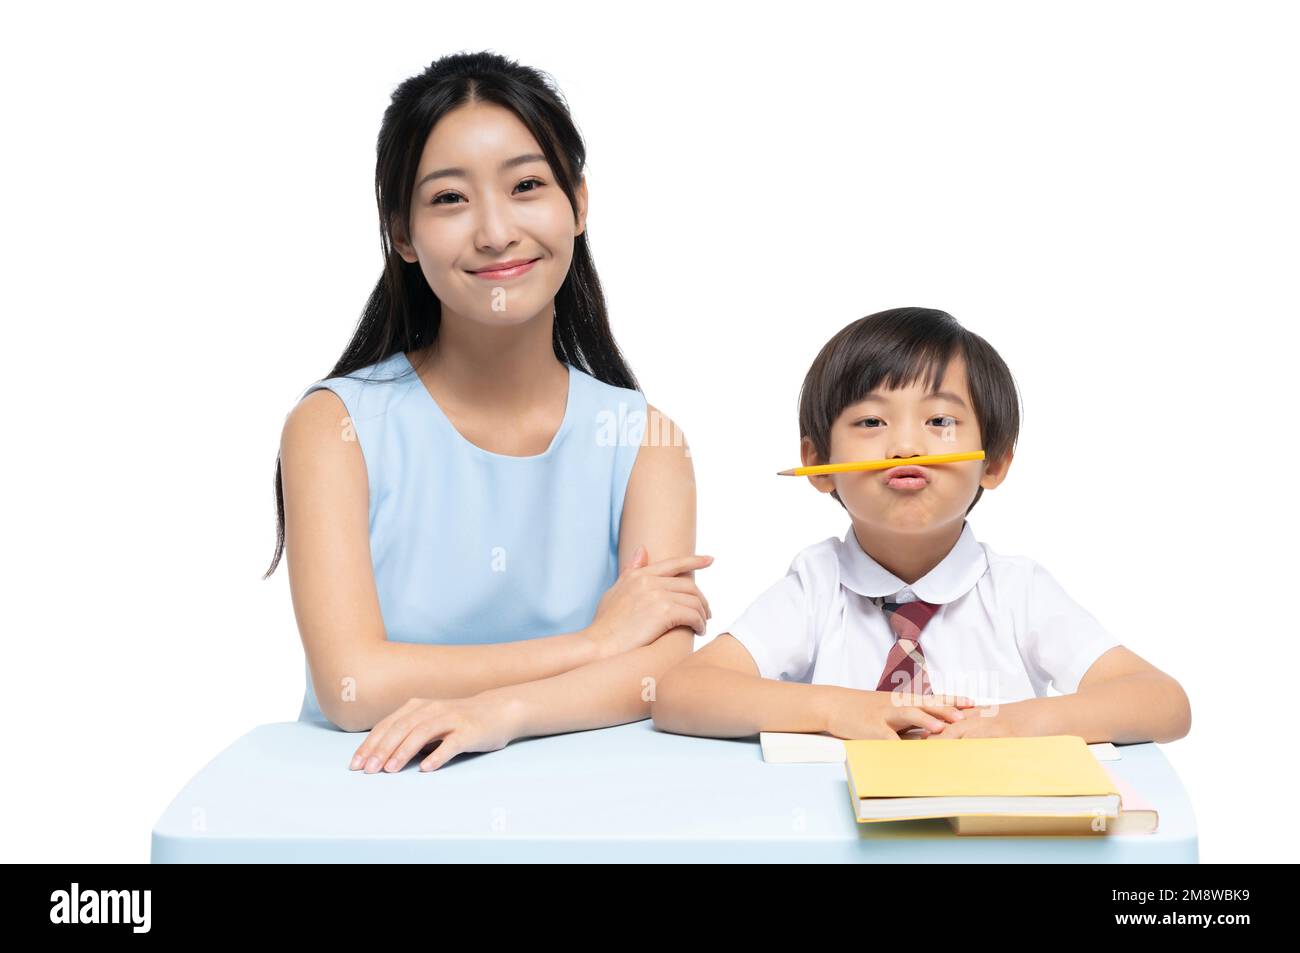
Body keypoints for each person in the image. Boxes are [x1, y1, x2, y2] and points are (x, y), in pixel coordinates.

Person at [271, 51, 712, 772]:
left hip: (588, 807)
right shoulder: (334, 427)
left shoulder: (645, 442)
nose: (496, 231)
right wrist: (593, 646)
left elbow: (656, 675)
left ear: (579, 202)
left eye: (527, 186)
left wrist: (497, 712)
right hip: (367, 803)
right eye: (450, 199)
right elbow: (353, 687)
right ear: (402, 235)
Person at [652, 307, 1191, 745]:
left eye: (940, 421)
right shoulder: (816, 584)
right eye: (870, 422)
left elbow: (1162, 702)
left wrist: (1019, 723)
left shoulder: (1018, 591)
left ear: (995, 461)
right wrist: (840, 708)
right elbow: (682, 692)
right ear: (817, 465)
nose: (906, 446)